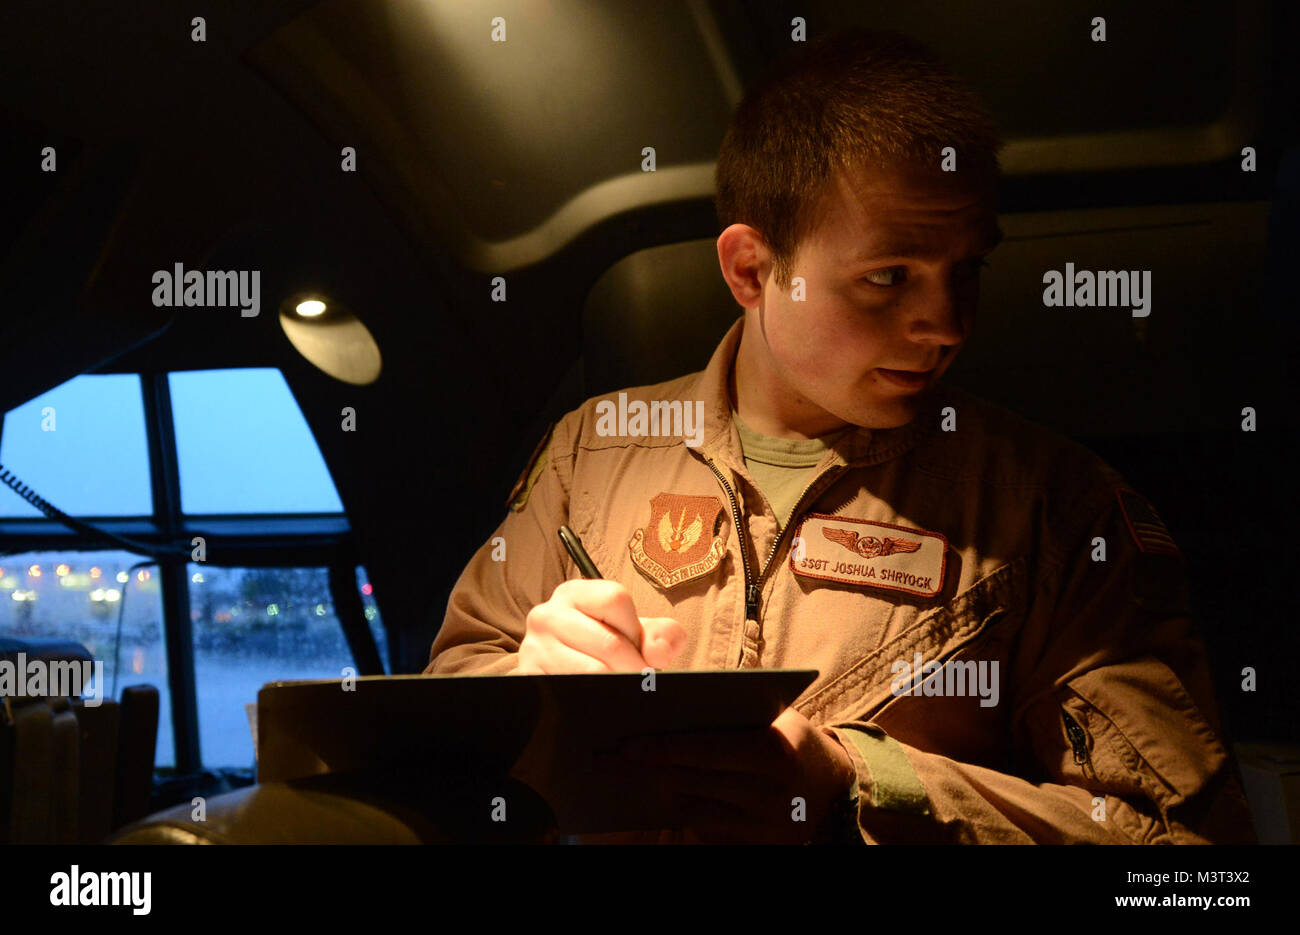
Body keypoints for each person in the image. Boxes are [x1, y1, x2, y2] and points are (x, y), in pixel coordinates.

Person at [424, 29, 1254, 844]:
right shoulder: (592, 452)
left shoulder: (1059, 511)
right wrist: (523, 690)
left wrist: (860, 789)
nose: (947, 324)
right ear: (752, 270)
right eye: (887, 277)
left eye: (966, 270)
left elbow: (1184, 860)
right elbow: (431, 730)